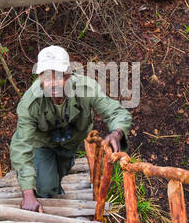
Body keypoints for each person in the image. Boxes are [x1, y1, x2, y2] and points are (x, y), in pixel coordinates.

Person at [10, 46, 132, 211]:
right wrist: (28, 195)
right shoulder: (31, 102)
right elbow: (21, 145)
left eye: (58, 77)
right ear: (39, 78)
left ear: (68, 76)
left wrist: (117, 133)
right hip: (43, 144)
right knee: (45, 188)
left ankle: (57, 182)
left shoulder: (86, 88)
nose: (52, 83)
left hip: (71, 141)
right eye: (46, 77)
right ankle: (49, 196)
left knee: (61, 171)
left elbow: (114, 111)